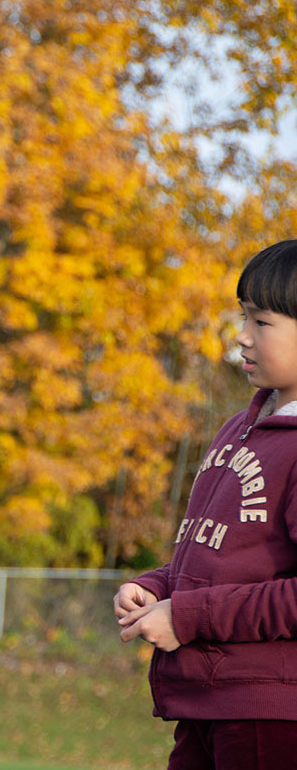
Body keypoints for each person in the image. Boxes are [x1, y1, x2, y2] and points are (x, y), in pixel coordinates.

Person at [115, 239, 297, 769]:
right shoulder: (236, 431)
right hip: (208, 703)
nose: (241, 337)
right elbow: (218, 557)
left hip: (271, 714)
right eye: (243, 318)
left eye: (261, 323)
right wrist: (156, 586)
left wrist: (188, 616)